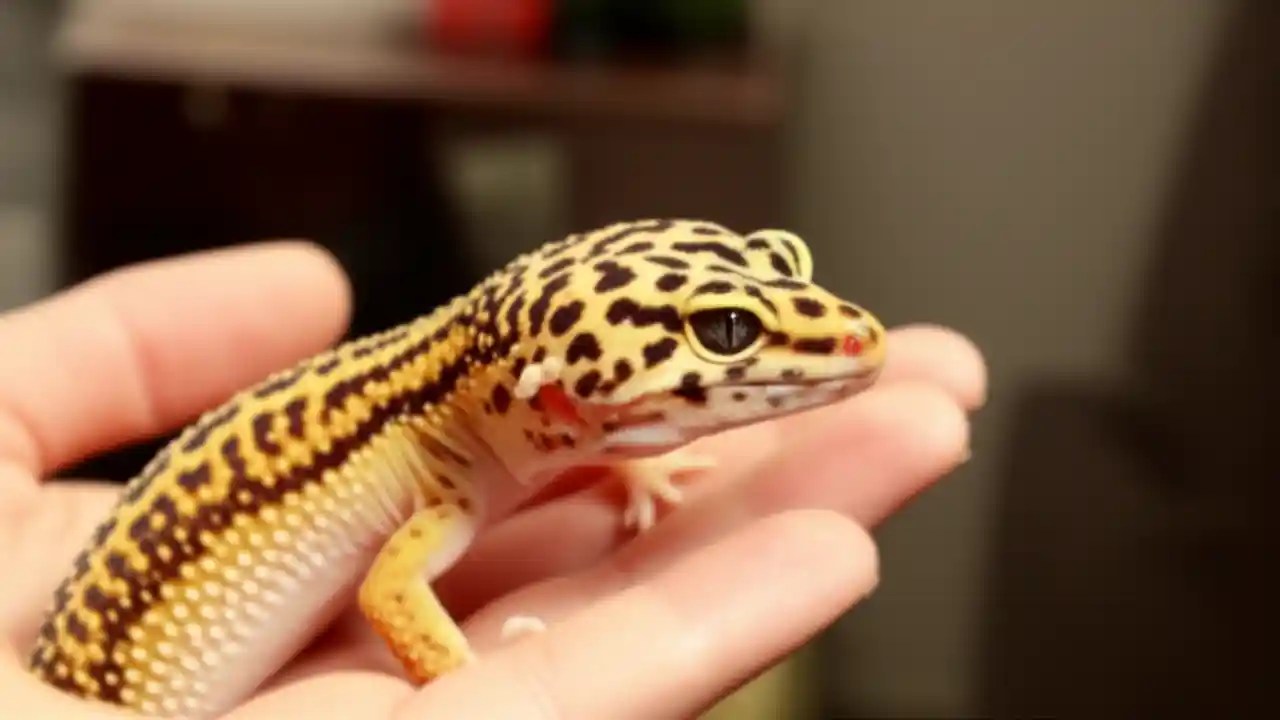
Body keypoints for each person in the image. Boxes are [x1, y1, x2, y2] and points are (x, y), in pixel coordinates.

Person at [0, 242, 985, 718]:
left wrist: (630, 460)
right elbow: (394, 591)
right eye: (724, 334)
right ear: (554, 397)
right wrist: (468, 685)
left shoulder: (493, 410)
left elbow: (562, 417)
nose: (836, 333)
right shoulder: (443, 473)